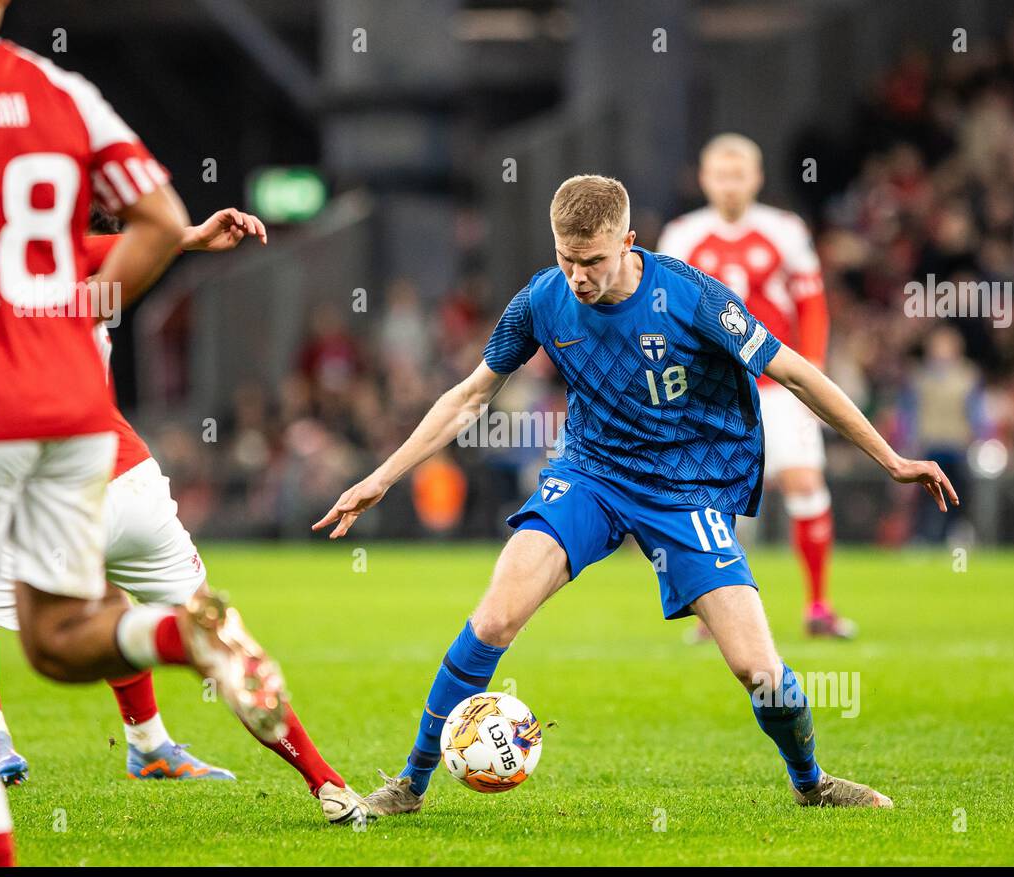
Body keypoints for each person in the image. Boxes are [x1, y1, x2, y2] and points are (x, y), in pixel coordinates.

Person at [315, 174, 957, 815]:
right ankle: (409, 786)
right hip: (590, 477)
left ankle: (811, 781)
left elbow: (794, 371)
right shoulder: (543, 299)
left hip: (687, 488)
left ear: (628, 242)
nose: (578, 277)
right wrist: (380, 478)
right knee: (495, 617)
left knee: (759, 672)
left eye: (591, 261)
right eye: (566, 259)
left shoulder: (690, 295)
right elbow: (470, 396)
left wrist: (890, 458)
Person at [0, 0, 285, 865]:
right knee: (59, 640)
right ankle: (170, 635)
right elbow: (159, 223)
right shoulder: (65, 92)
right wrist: (65, 309)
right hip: (65, 408)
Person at [0, 215, 370, 824]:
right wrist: (187, 237)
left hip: (55, 503)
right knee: (224, 640)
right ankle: (329, 787)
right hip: (133, 486)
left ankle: (58, 721)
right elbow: (94, 249)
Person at [658, 134, 853, 638]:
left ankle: (818, 607)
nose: (729, 184)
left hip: (776, 384)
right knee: (710, 507)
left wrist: (810, 374)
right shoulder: (680, 237)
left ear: (757, 178)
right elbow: (664, 313)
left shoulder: (785, 230)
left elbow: (811, 304)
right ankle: (715, 616)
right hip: (711, 391)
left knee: (805, 484)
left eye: (739, 174)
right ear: (704, 179)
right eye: (720, 175)